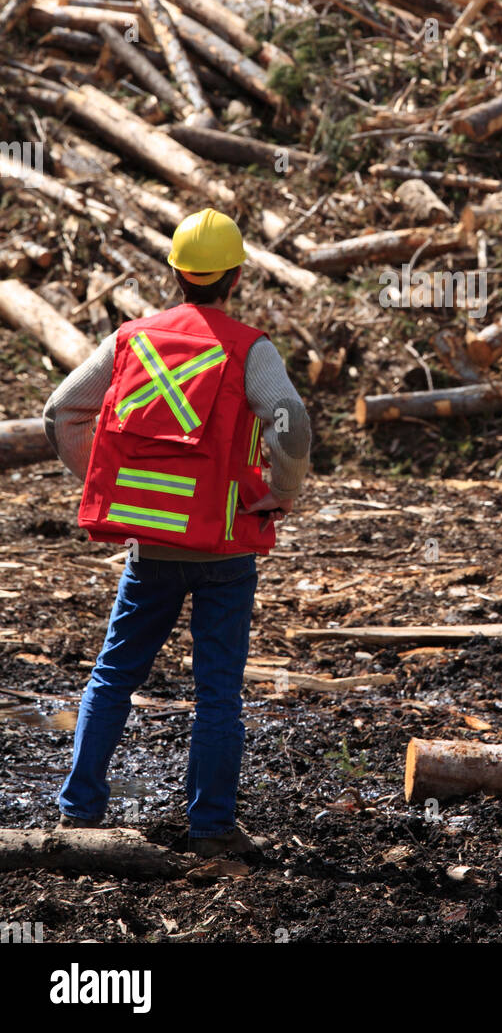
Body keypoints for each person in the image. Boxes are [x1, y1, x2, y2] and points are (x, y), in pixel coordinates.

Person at [42, 208, 311, 858]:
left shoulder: (132, 338)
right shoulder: (251, 347)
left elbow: (59, 413)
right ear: (237, 278)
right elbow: (292, 424)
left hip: (152, 547)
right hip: (227, 547)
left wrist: (102, 478)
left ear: (177, 275)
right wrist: (280, 494)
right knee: (217, 692)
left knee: (112, 677)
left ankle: (78, 814)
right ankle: (212, 827)